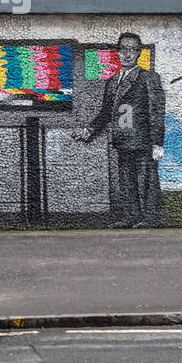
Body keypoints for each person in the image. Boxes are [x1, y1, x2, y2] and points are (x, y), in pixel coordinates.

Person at [73, 32, 166, 227]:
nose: (128, 54)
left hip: (143, 141)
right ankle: (130, 217)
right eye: (124, 49)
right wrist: (89, 130)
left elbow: (156, 111)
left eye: (132, 49)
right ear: (118, 52)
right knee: (126, 182)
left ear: (139, 53)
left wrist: (157, 143)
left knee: (147, 181)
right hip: (123, 141)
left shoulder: (149, 78)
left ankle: (151, 219)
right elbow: (106, 112)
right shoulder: (112, 82)